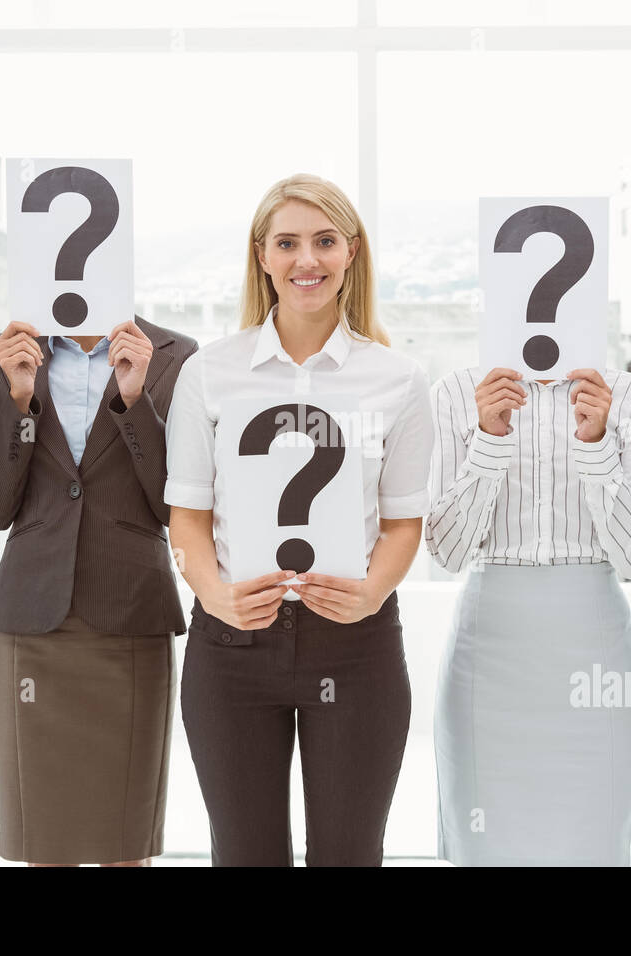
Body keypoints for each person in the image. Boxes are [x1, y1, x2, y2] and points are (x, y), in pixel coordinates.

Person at [164, 174, 433, 866]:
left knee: (348, 853)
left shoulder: (398, 380)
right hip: (231, 649)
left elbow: (404, 523)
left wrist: (371, 593)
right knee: (246, 853)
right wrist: (217, 598)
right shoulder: (209, 372)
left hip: (355, 646)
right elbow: (187, 518)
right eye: (287, 243)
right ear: (262, 256)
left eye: (324, 241)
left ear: (350, 254)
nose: (305, 260)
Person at [0, 313, 196, 867]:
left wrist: (135, 398)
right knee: (45, 843)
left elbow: (175, 506)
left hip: (130, 617)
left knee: (124, 842)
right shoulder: (6, 353)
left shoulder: (174, 355)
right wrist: (20, 401)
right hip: (33, 621)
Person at [426, 362, 631, 865]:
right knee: (482, 844)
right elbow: (447, 552)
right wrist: (488, 438)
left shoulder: (630, 396)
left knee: (592, 843)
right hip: (488, 653)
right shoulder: (456, 392)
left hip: (592, 650)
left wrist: (597, 446)